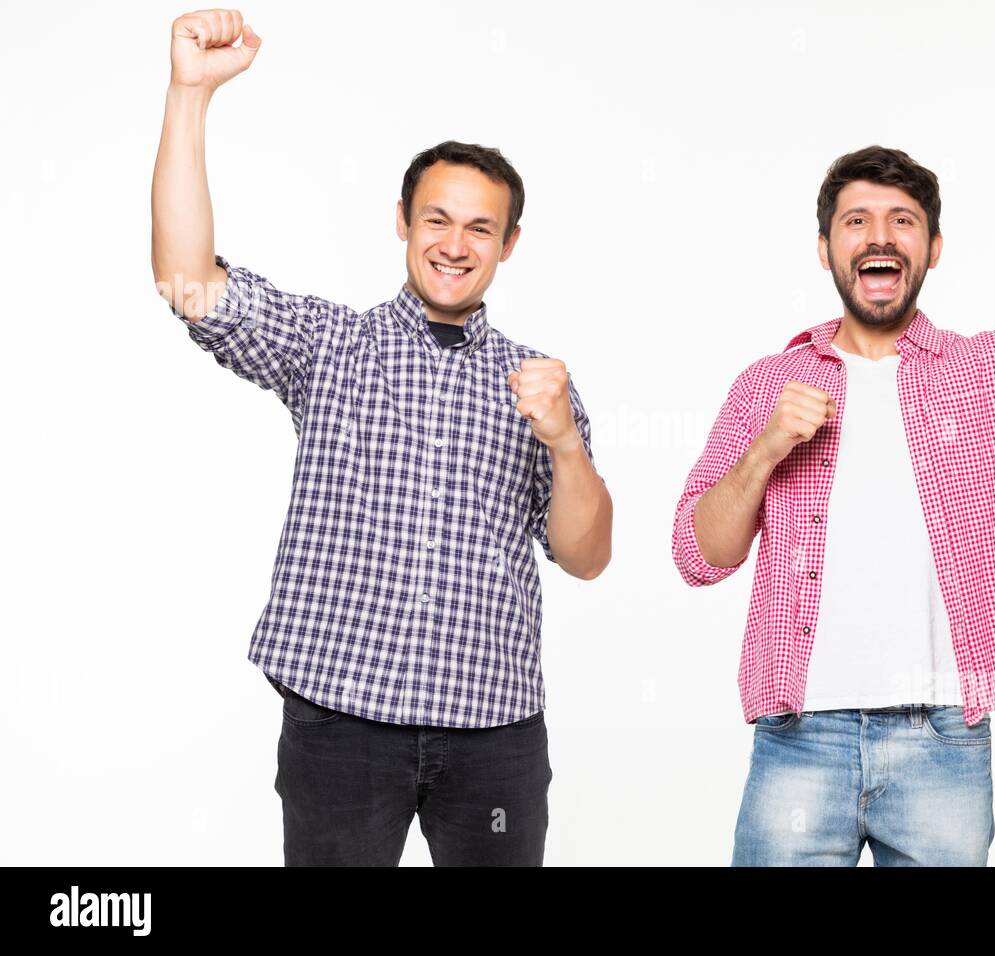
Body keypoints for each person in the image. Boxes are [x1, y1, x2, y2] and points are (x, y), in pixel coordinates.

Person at [152, 9, 612, 866]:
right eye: (437, 219)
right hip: (341, 724)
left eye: (481, 228)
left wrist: (565, 443)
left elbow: (585, 557)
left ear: (509, 245)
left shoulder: (542, 384)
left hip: (493, 736)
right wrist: (189, 94)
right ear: (402, 220)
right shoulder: (328, 347)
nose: (455, 244)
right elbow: (187, 282)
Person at [671, 127, 995, 866]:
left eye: (902, 221)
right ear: (825, 249)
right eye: (856, 221)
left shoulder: (991, 373)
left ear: (933, 248)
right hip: (798, 739)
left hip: (942, 742)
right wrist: (766, 451)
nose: (878, 236)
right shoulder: (767, 385)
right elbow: (698, 555)